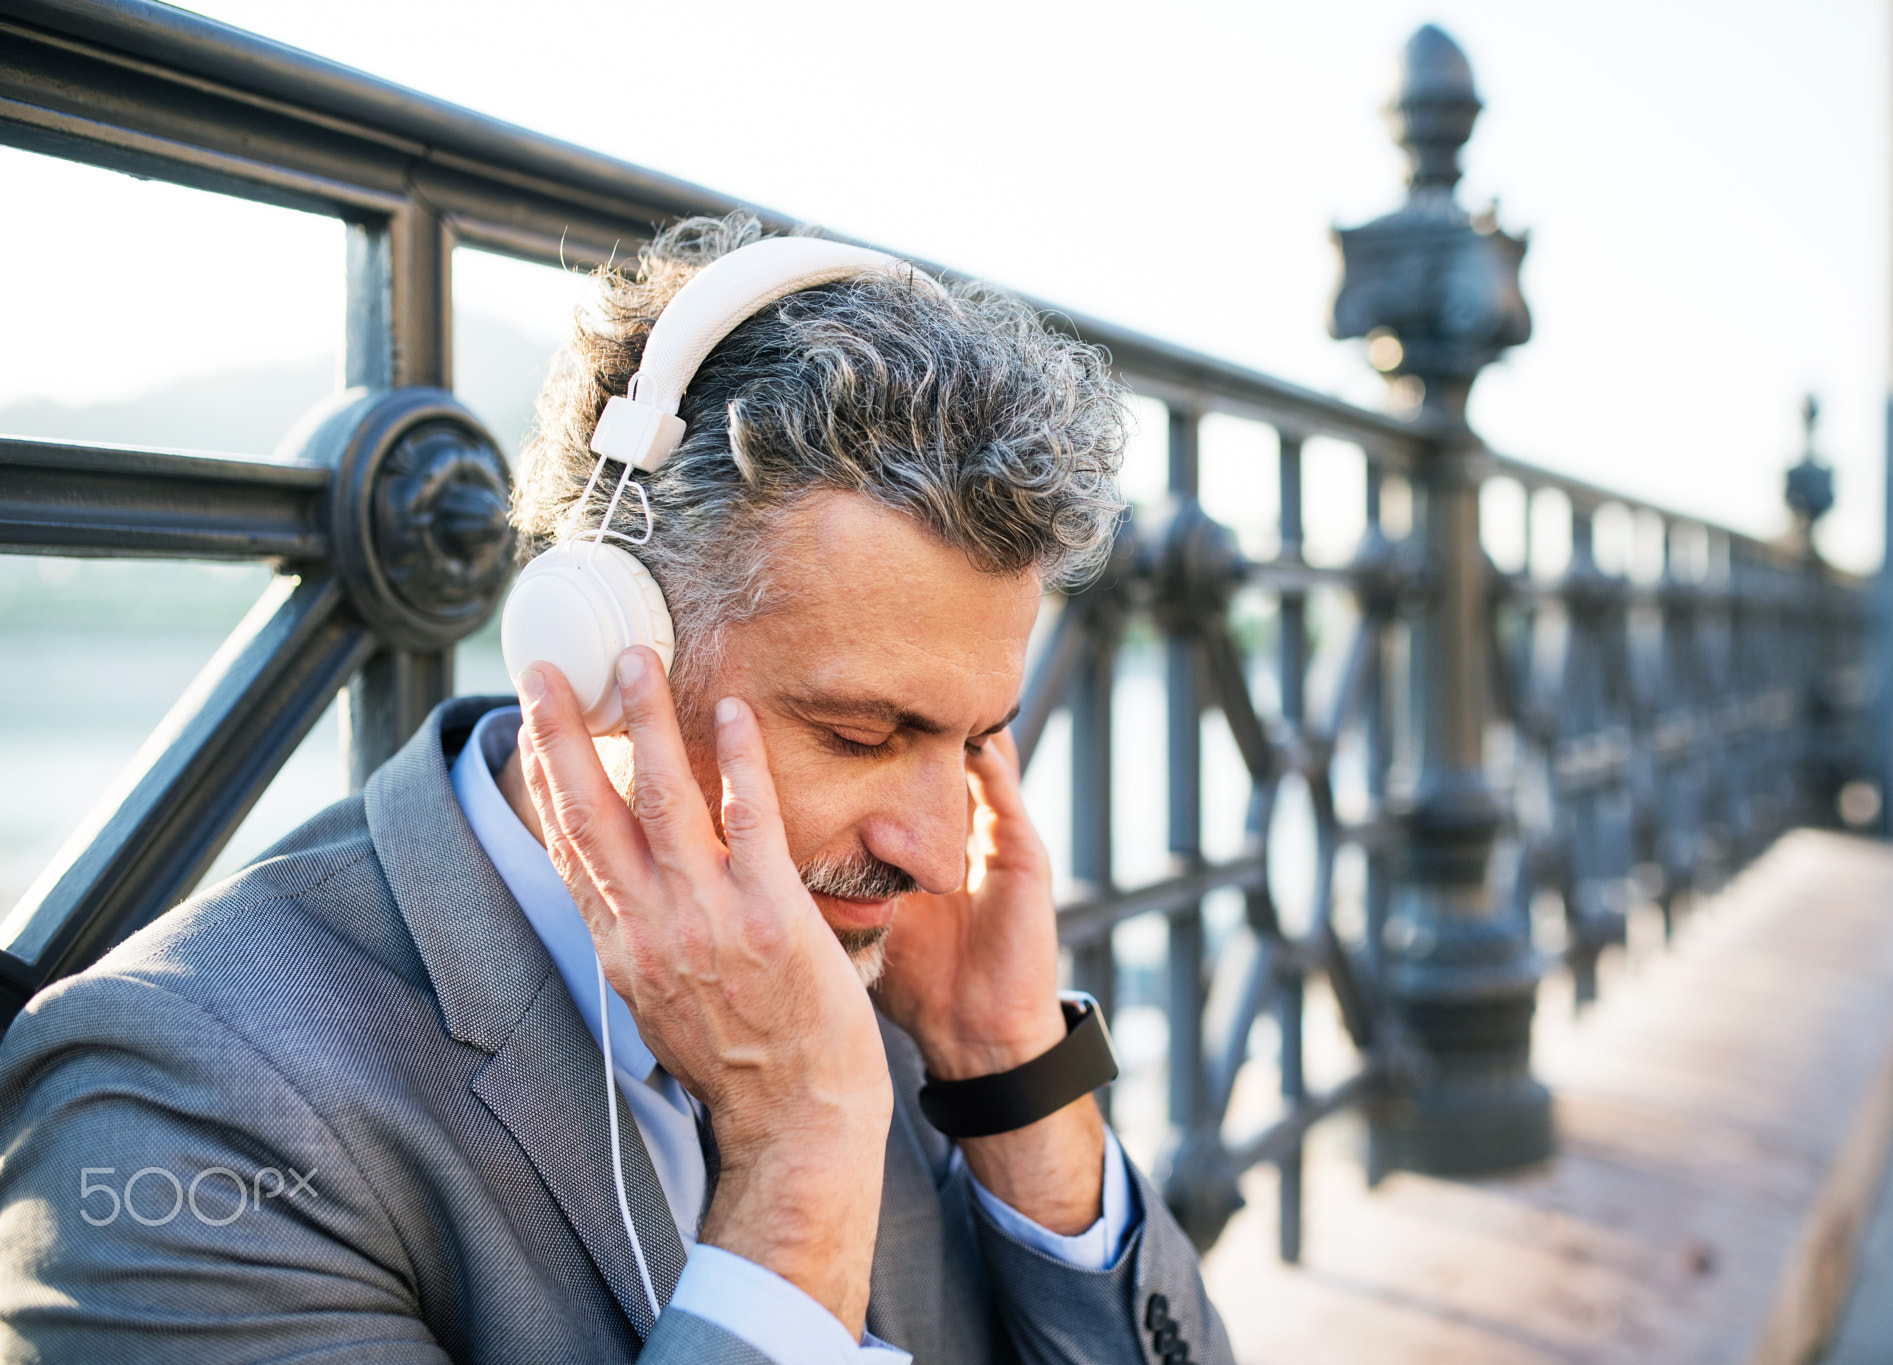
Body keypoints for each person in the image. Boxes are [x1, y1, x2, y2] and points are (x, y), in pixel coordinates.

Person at [0, 214, 1233, 1365]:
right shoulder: (187, 1110)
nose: (934, 850)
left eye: (973, 743)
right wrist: (799, 1153)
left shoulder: (905, 982)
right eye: (860, 734)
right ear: (589, 653)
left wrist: (1008, 1072)